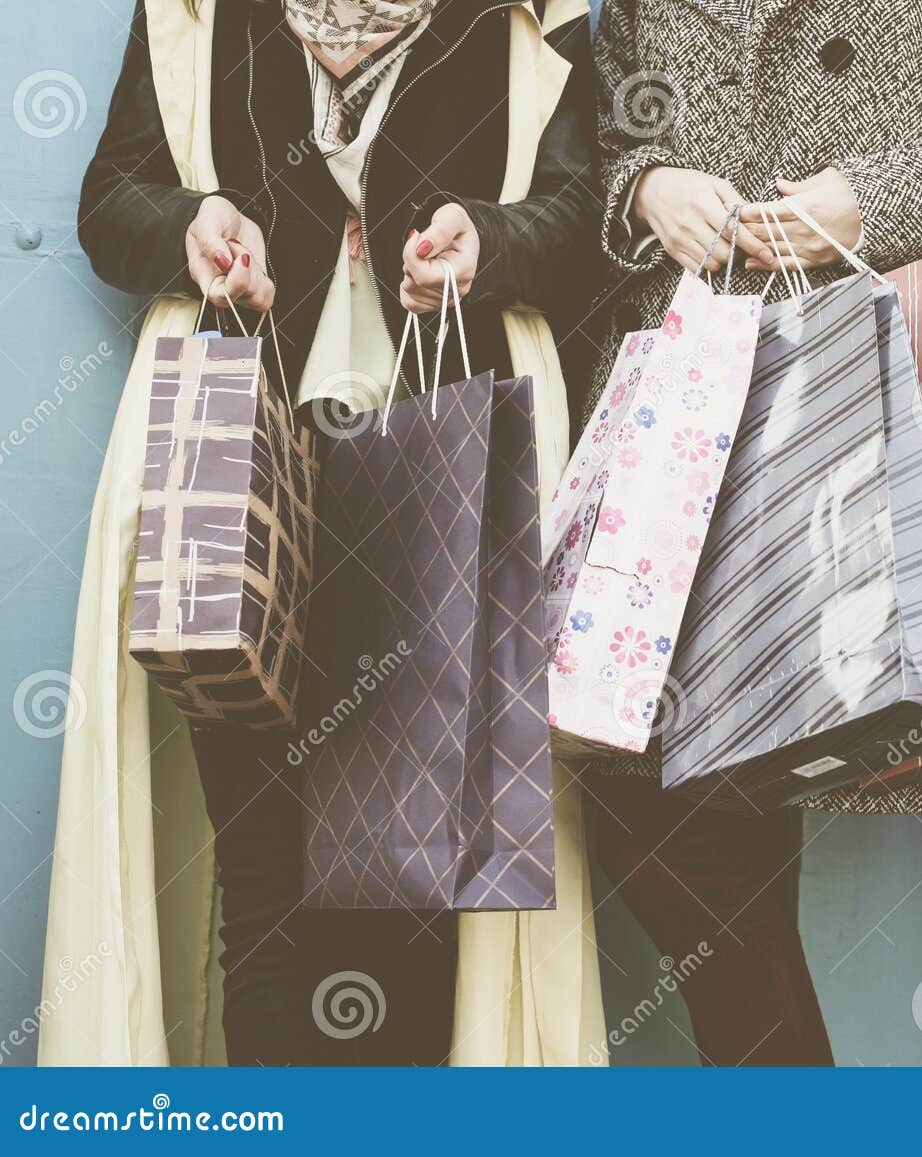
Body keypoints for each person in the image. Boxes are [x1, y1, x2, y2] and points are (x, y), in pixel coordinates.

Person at [46, 0, 607, 1067]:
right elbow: (109, 202)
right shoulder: (195, 12)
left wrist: (490, 240)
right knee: (261, 884)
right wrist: (191, 223)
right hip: (243, 480)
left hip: (433, 475)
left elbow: (585, 222)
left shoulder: (531, 16)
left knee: (407, 885)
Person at [586, 0, 922, 1065]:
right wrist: (646, 189)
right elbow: (600, 137)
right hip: (681, 416)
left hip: (855, 425)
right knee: (634, 784)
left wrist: (870, 203)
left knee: (746, 796)